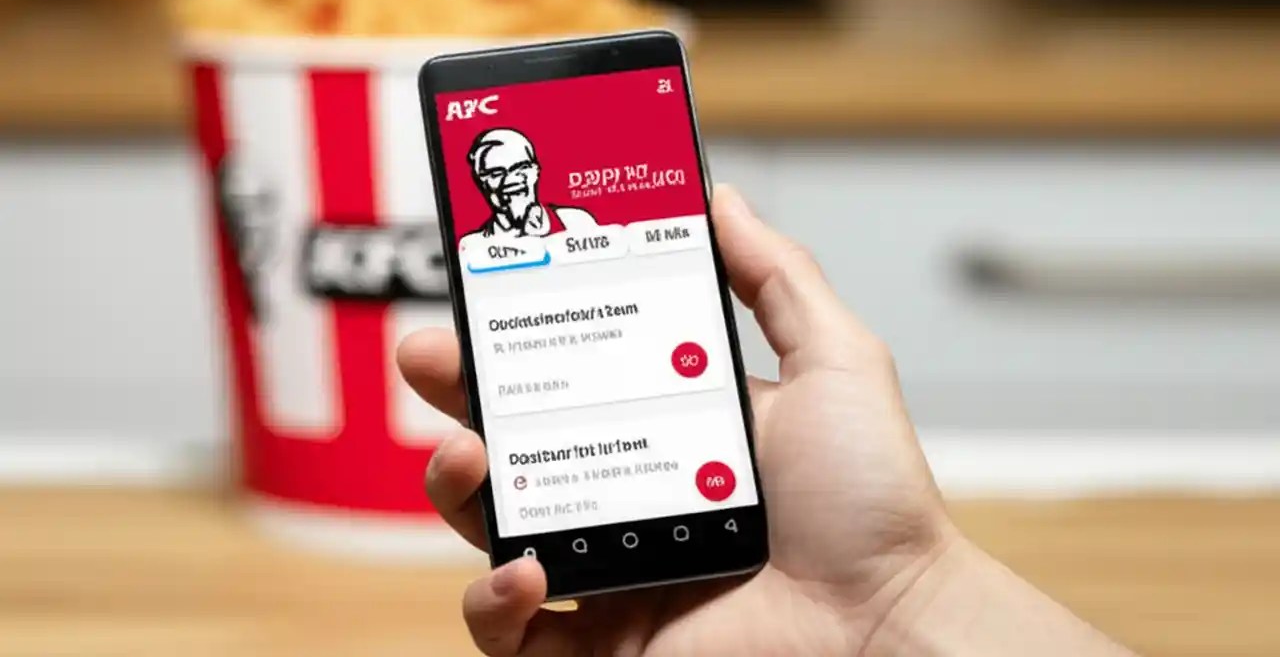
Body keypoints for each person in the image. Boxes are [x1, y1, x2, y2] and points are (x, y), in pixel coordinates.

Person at [397, 185, 1137, 656]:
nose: (508, 183)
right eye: (492, 174)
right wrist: (901, 602)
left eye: (517, 167)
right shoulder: (483, 250)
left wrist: (899, 592)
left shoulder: (582, 224)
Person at [464, 128, 597, 239]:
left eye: (522, 167)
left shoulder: (576, 222)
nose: (511, 180)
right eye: (496, 174)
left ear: (536, 171)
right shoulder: (474, 246)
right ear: (480, 183)